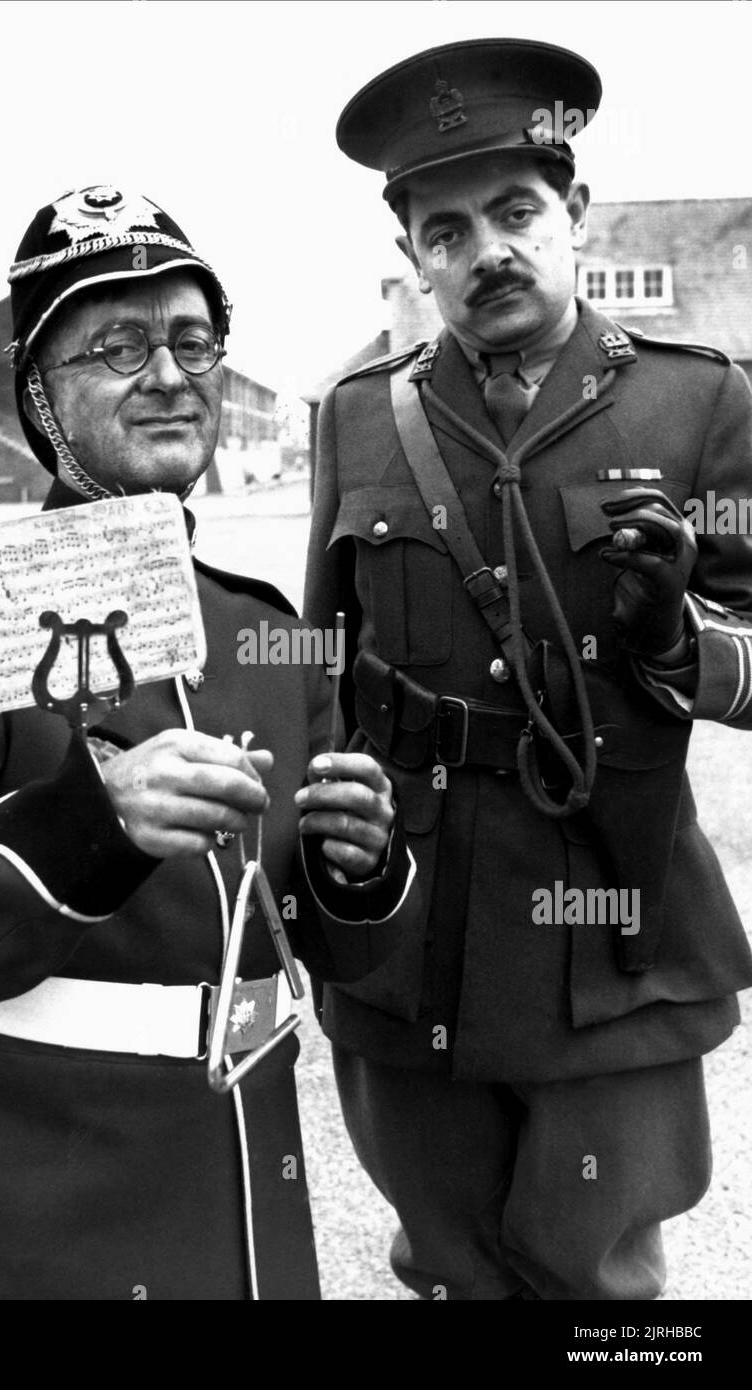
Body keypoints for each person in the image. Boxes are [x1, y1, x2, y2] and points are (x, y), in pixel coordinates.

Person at [0, 184, 418, 1301]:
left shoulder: (270, 630)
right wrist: (85, 826)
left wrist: (364, 869)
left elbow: (328, 947)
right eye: (118, 345)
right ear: (39, 400)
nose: (168, 375)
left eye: (192, 343)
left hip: (253, 1176)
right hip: (40, 1199)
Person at [303, 39, 752, 1301]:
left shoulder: (699, 407)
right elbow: (319, 670)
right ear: (411, 258)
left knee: (592, 1278)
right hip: (412, 932)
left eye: (514, 213)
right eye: (444, 230)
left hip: (609, 928)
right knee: (443, 1265)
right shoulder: (355, 415)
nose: (483, 250)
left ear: (575, 216)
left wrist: (682, 646)